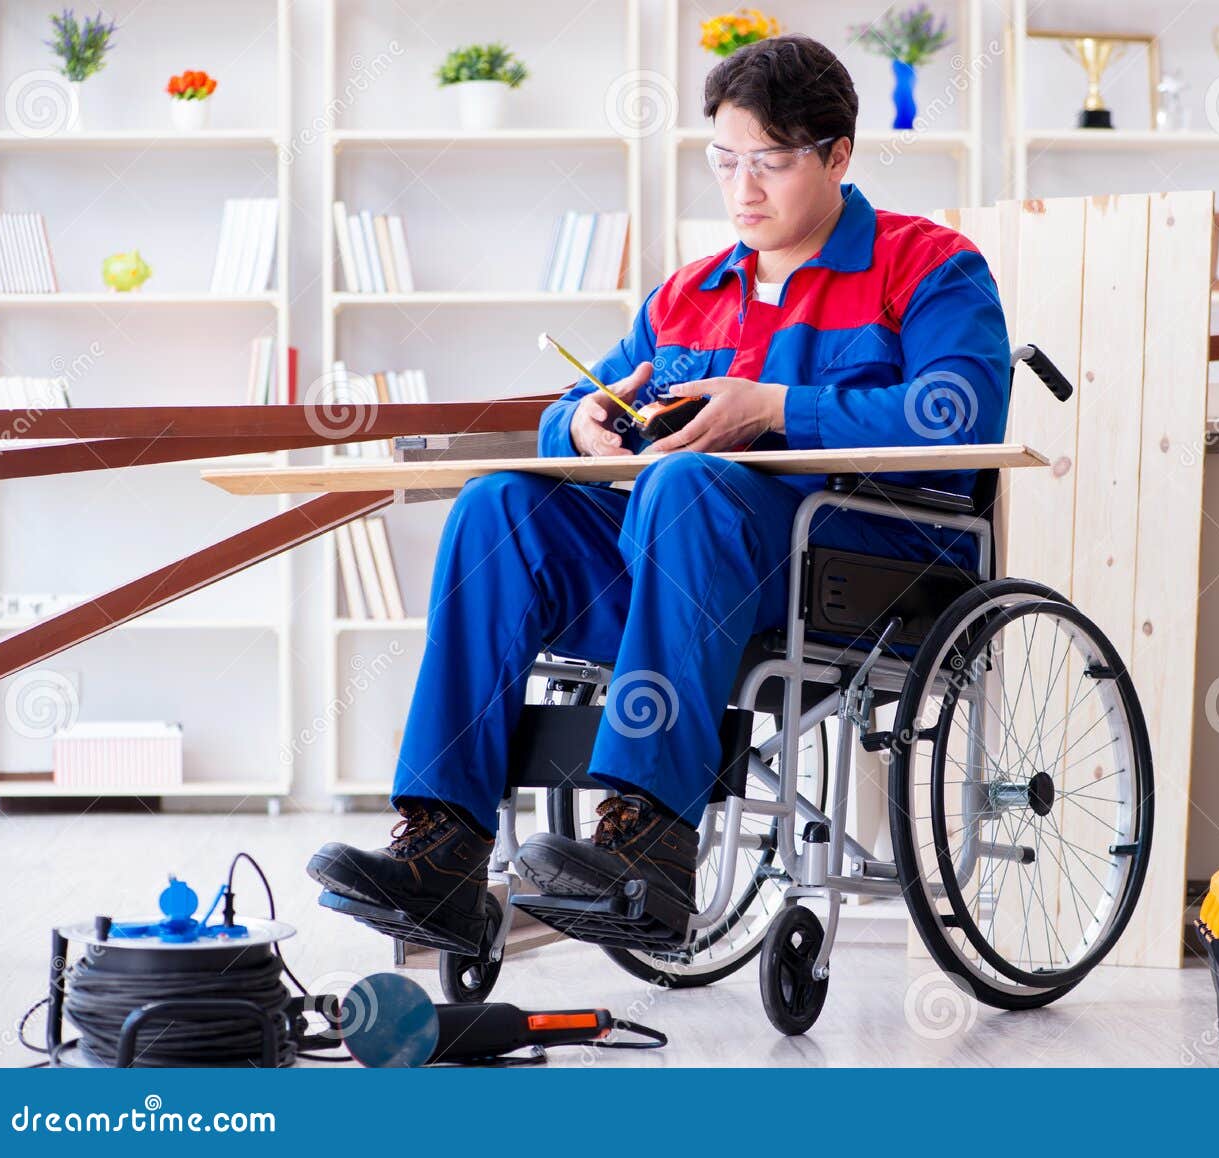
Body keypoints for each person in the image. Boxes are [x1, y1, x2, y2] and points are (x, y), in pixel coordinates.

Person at [306, 34, 1011, 951]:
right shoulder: (686, 296)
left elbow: (959, 415)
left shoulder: (928, 264)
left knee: (685, 486)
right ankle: (443, 847)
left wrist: (776, 407)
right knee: (495, 506)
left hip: (858, 569)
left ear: (838, 156)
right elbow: (577, 402)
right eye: (724, 161)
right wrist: (579, 425)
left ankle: (648, 844)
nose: (743, 190)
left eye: (770, 163)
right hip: (684, 572)